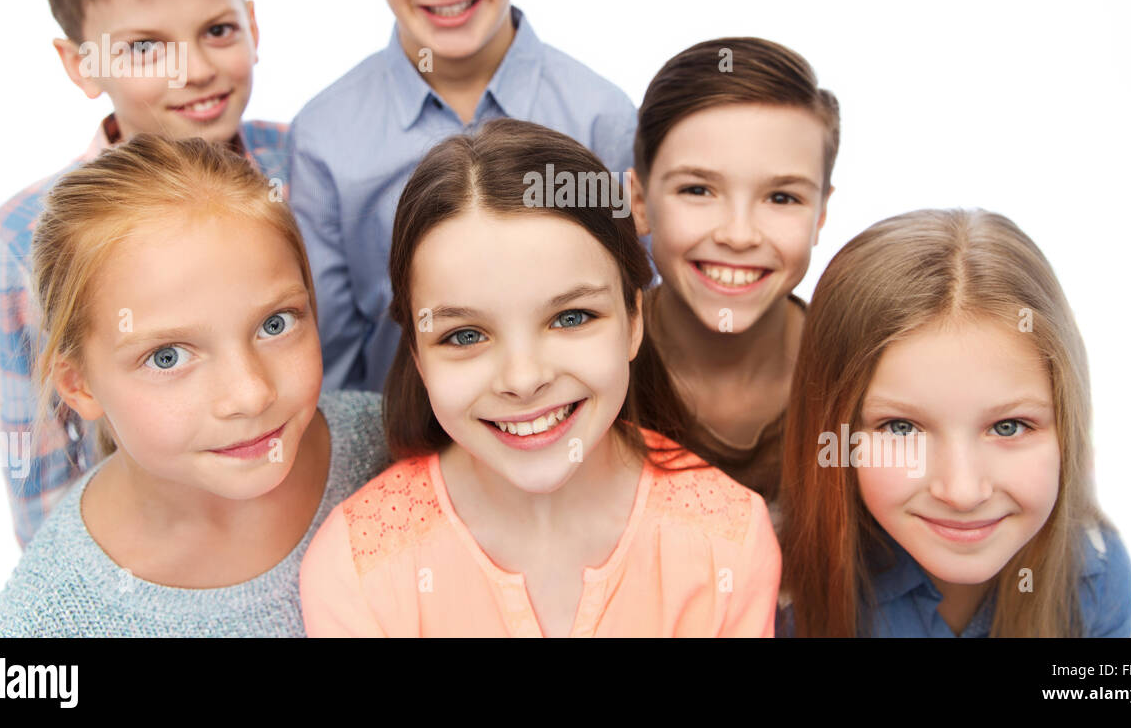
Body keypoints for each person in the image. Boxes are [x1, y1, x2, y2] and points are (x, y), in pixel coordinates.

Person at [299, 120, 780, 636]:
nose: (523, 379)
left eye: (570, 317)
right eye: (465, 336)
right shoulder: (357, 568)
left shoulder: (729, 540)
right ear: (417, 355)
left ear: (633, 321)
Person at [289, 0, 639, 395]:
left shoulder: (600, 119)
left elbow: (635, 325)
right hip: (392, 457)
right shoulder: (324, 139)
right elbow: (329, 362)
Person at [0, 0, 290, 546]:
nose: (196, 69)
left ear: (253, 26)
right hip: (155, 554)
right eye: (147, 48)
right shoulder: (17, 239)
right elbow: (40, 463)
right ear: (82, 64)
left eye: (218, 29)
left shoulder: (306, 166)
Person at [0, 135, 389, 636]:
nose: (250, 394)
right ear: (78, 385)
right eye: (167, 357)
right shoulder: (49, 620)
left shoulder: (399, 447)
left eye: (276, 324)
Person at [777, 208, 1131, 637]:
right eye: (902, 429)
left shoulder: (1093, 575)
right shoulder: (772, 592)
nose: (962, 493)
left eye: (1009, 426)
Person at [626, 37, 838, 512]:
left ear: (821, 215)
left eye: (782, 198)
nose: (739, 235)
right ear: (639, 203)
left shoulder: (858, 377)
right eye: (698, 189)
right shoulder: (591, 372)